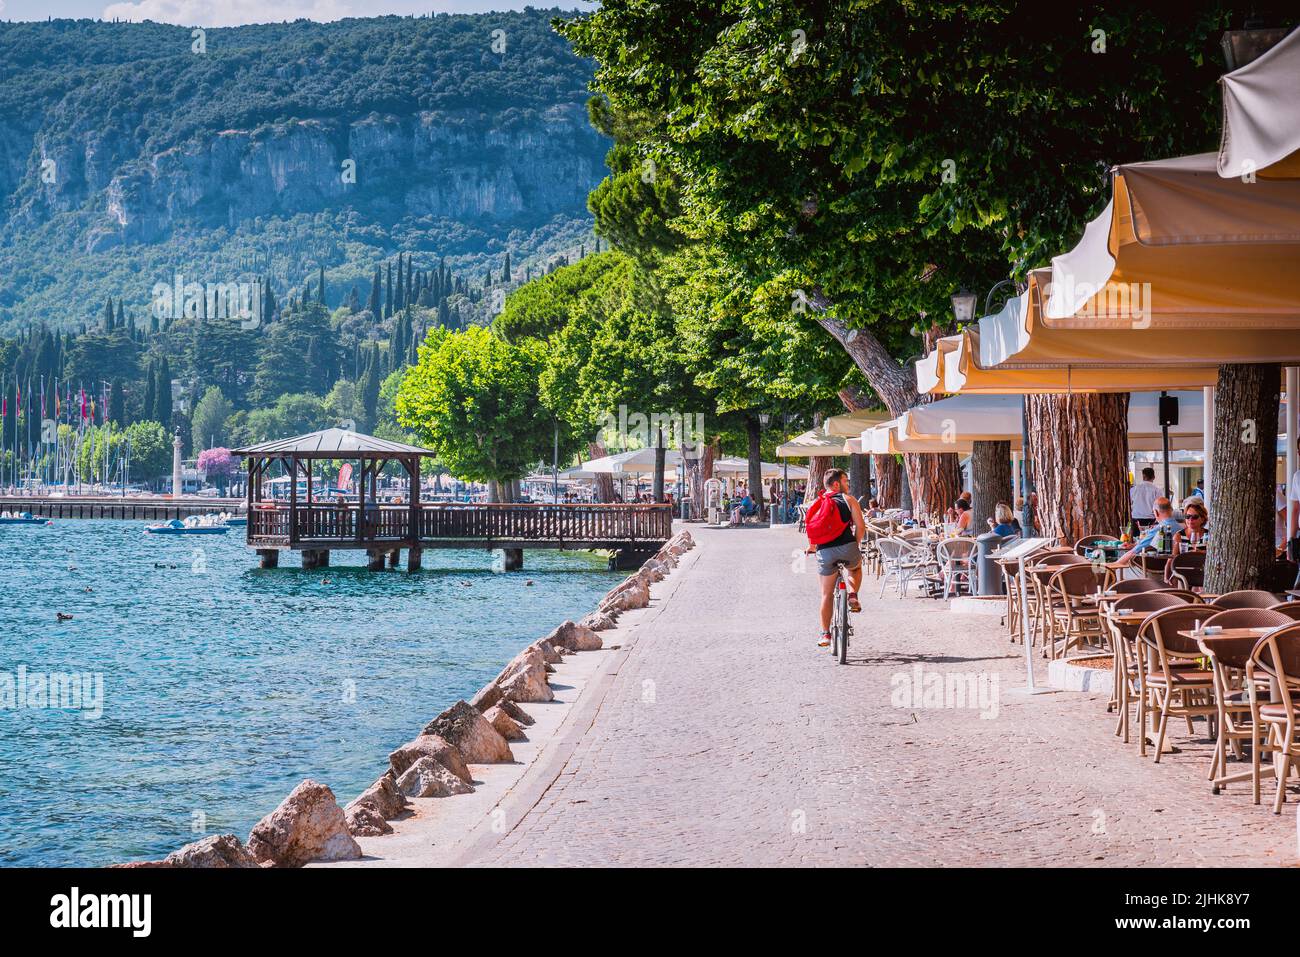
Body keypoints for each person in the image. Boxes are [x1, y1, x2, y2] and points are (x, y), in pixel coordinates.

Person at [804, 468, 865, 648]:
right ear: (837, 484)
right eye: (846, 481)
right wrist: (856, 543)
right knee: (855, 567)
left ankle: (825, 634)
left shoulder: (816, 502)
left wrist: (812, 547)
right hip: (847, 547)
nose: (848, 485)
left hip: (825, 552)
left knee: (826, 594)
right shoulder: (849, 500)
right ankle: (853, 595)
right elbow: (860, 527)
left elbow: (813, 528)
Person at [1114, 497, 1182, 566]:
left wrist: (1114, 564)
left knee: (1122, 569)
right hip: (1175, 568)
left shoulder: (1160, 529)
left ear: (1156, 512)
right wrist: (1133, 545)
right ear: (1171, 510)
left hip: (1153, 570)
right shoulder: (1181, 528)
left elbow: (1134, 552)